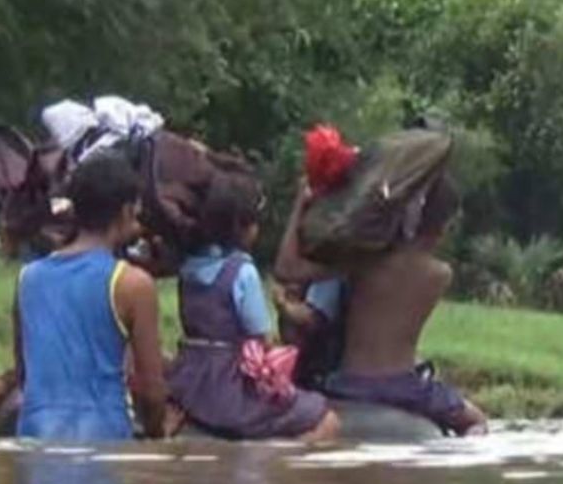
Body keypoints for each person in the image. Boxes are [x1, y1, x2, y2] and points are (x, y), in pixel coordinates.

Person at [274, 172, 488, 436]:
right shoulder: (440, 274)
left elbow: (287, 268)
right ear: (444, 225)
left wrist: (301, 204)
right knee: (477, 422)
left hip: (347, 382)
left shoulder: (363, 262)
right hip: (403, 386)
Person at [163, 155, 340, 442]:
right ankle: (272, 461)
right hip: (230, 383)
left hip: (190, 379)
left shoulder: (188, 269)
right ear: (243, 227)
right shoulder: (242, 271)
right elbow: (261, 336)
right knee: (325, 419)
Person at [13, 151, 168, 441]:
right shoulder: (133, 284)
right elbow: (152, 392)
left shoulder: (28, 278)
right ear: (125, 212)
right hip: (104, 437)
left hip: (35, 436)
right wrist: (156, 438)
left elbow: (24, 374)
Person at [272, 277, 347, 390]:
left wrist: (282, 303)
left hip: (320, 367)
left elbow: (311, 318)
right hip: (302, 362)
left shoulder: (328, 280)